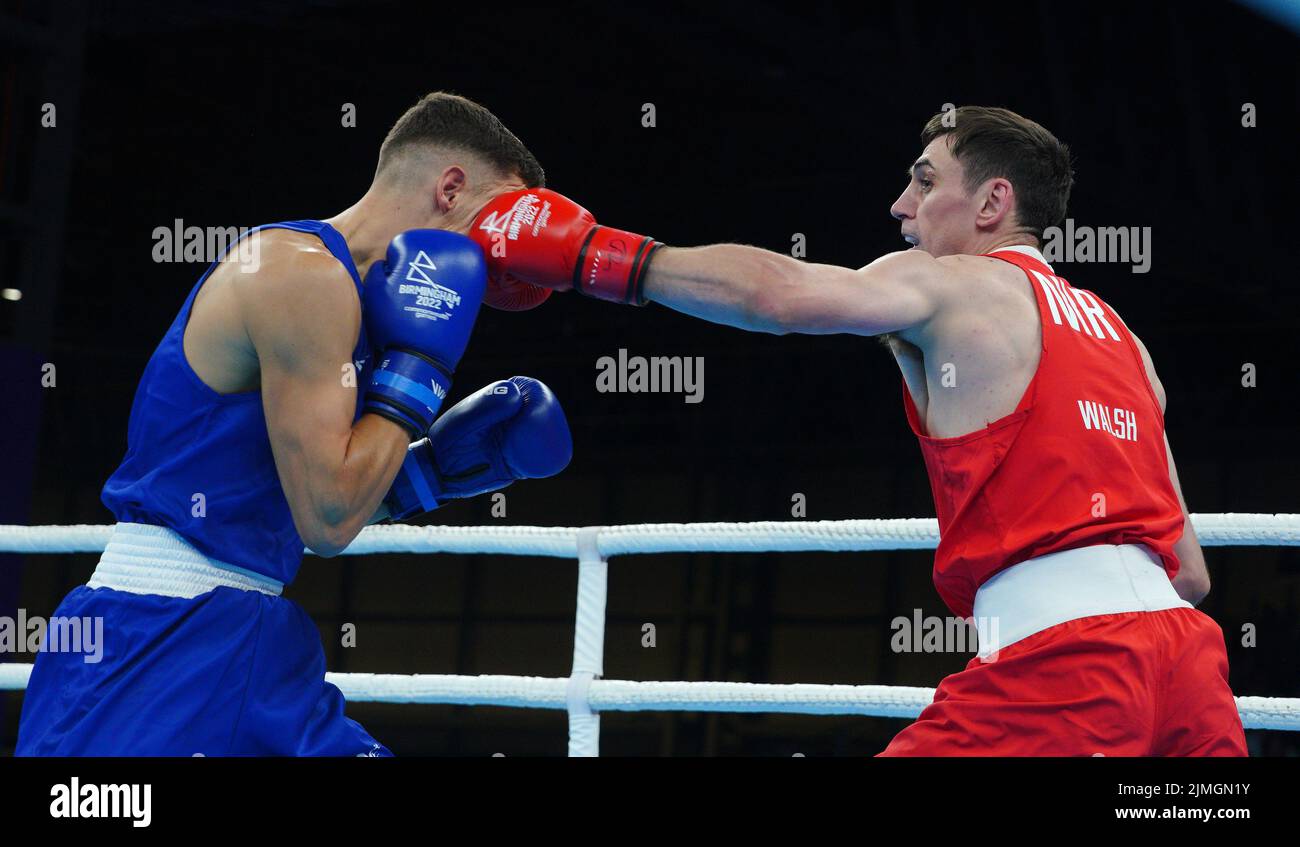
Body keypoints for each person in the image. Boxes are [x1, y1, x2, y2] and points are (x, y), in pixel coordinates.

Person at [463, 105, 1248, 756]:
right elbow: (1188, 570)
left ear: (991, 203)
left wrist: (597, 256)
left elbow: (782, 296)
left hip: (1064, 676)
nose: (900, 205)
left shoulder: (954, 286)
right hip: (1189, 672)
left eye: (925, 179)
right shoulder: (1127, 342)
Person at [17, 92, 571, 756]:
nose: (499, 258)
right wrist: (419, 370)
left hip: (253, 639)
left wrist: (434, 471)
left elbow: (302, 499)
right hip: (154, 644)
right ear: (450, 188)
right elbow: (329, 517)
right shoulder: (299, 274)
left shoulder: (363, 313)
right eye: (501, 221)